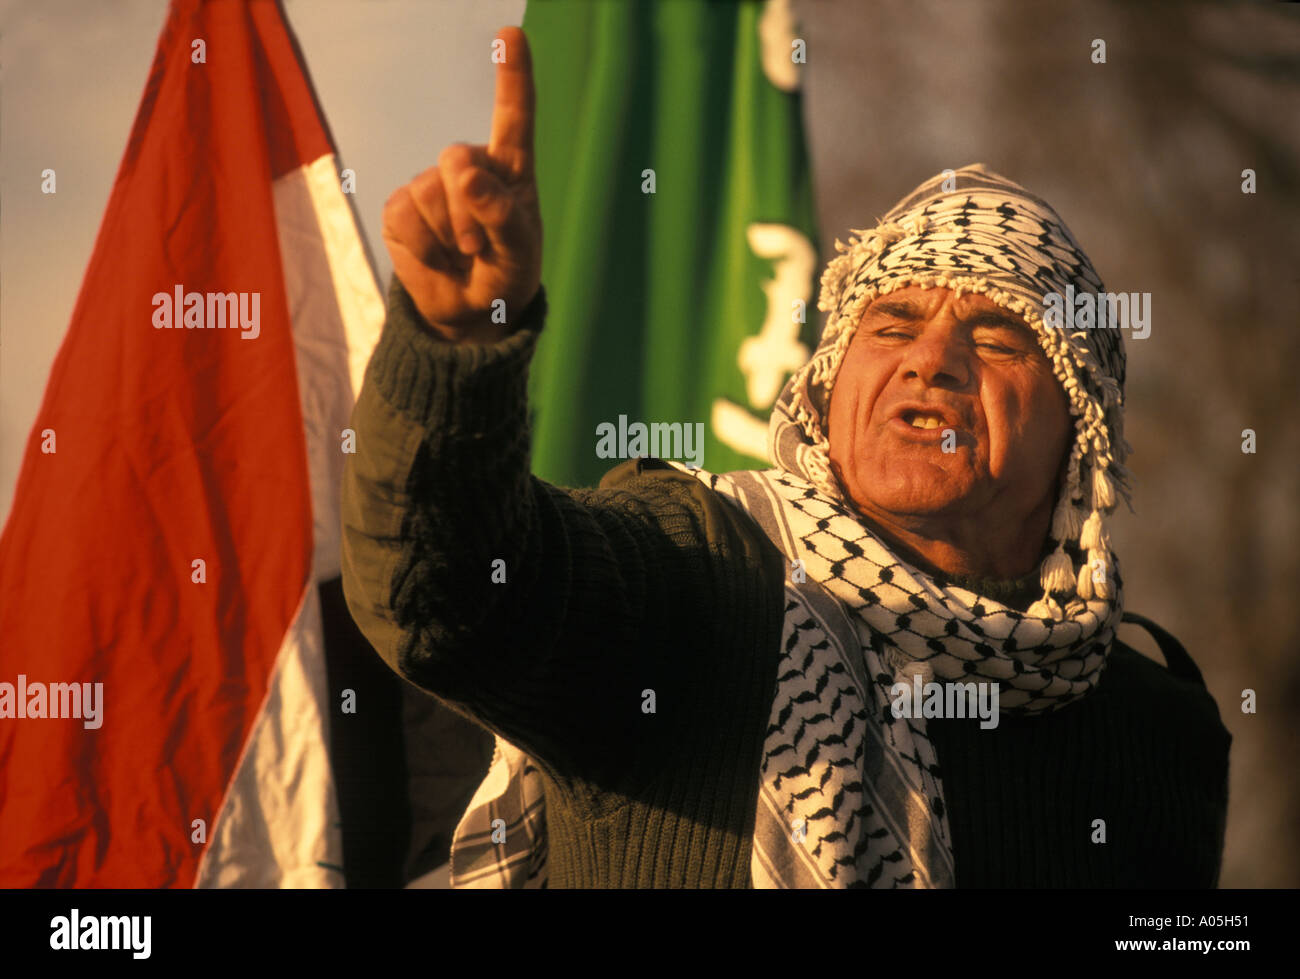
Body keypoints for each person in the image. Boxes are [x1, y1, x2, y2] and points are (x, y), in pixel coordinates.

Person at [341, 26, 1230, 888]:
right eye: (892, 325)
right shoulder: (697, 572)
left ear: (1081, 438)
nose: (932, 359)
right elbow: (437, 598)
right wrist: (453, 352)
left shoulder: (1152, 734)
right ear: (827, 386)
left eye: (997, 337)